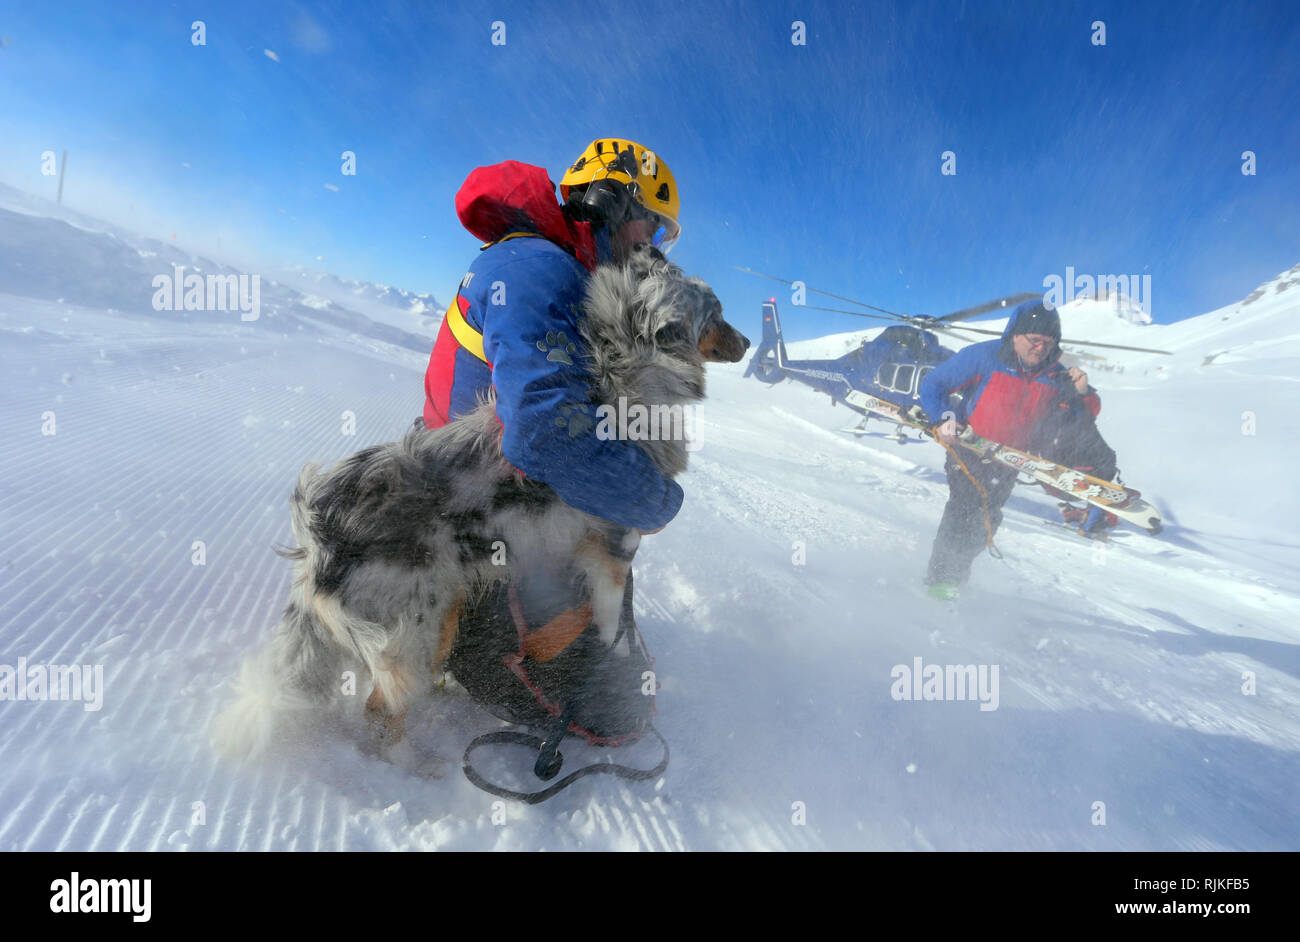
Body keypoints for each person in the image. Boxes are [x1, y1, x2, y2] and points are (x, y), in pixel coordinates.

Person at [419, 137, 683, 676]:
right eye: (653, 230)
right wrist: (652, 498)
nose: (654, 252)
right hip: (463, 509)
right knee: (613, 713)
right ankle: (463, 634)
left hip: (482, 481)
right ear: (613, 203)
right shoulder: (539, 270)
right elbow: (546, 434)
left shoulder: (550, 264)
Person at [917, 300, 1119, 599]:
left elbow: (1084, 416)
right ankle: (940, 582)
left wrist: (1083, 393)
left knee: (989, 519)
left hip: (1010, 459)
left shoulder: (1056, 375)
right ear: (1015, 335)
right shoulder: (984, 357)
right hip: (969, 446)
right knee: (964, 509)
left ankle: (955, 578)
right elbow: (934, 383)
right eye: (1034, 340)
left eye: (1048, 342)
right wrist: (944, 418)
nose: (1041, 348)